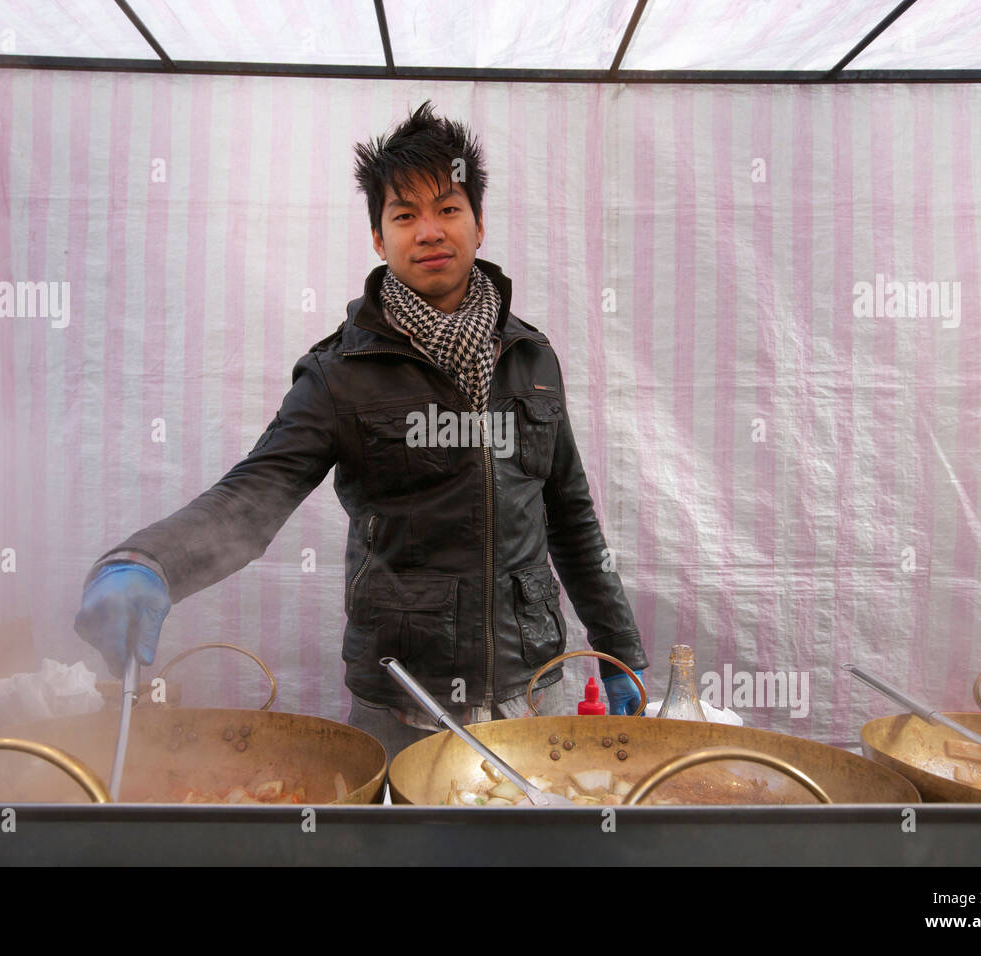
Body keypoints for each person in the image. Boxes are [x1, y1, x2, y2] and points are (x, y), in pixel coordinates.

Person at [74, 101, 648, 759]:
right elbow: (253, 499)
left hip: (535, 693)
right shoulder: (338, 375)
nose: (428, 230)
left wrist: (617, 648)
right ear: (379, 238)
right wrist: (148, 563)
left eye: (448, 208)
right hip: (403, 703)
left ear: (480, 224)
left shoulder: (531, 357)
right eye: (405, 215)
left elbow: (570, 518)